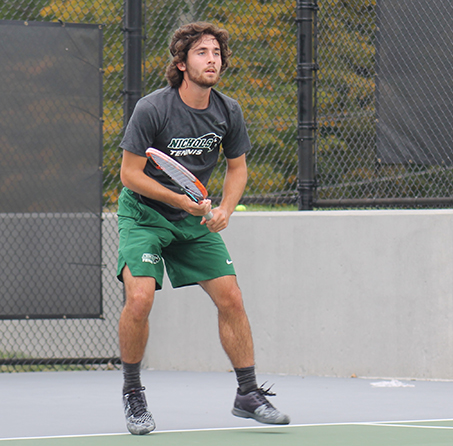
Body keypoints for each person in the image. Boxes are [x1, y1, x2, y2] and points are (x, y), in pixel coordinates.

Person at [115, 21, 290, 435]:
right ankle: (133, 393)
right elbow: (129, 174)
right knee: (139, 300)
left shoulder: (229, 111)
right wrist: (178, 200)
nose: (211, 59)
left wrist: (226, 209)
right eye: (201, 53)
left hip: (192, 223)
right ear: (181, 63)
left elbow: (237, 167)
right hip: (144, 216)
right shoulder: (152, 109)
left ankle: (247, 394)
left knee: (231, 298)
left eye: (216, 53)